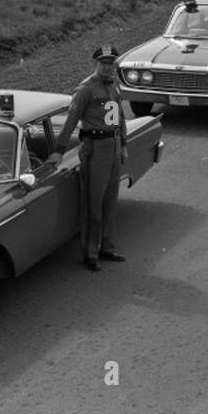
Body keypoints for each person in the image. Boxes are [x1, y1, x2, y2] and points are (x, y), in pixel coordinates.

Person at [48, 44, 129, 271]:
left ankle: (108, 247)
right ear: (95, 64)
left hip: (112, 146)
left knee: (110, 200)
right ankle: (91, 253)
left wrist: (123, 144)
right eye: (103, 63)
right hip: (94, 148)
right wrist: (59, 150)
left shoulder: (114, 84)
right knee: (93, 203)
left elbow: (120, 117)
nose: (107, 67)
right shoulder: (85, 90)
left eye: (110, 63)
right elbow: (71, 121)